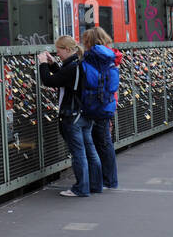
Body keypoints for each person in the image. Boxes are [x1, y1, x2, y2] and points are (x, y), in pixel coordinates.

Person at [39, 36, 101, 197]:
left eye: (58, 51)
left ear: (67, 50)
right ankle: (95, 184)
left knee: (78, 153)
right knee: (90, 150)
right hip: (86, 114)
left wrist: (43, 64)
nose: (57, 54)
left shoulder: (72, 67)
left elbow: (50, 81)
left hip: (73, 116)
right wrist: (53, 64)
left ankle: (81, 188)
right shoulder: (79, 64)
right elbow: (64, 79)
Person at [80, 27, 119, 191]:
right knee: (104, 142)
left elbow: (87, 79)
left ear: (89, 42)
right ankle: (108, 179)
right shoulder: (110, 56)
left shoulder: (91, 58)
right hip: (107, 103)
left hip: (94, 104)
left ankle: (107, 180)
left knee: (100, 142)